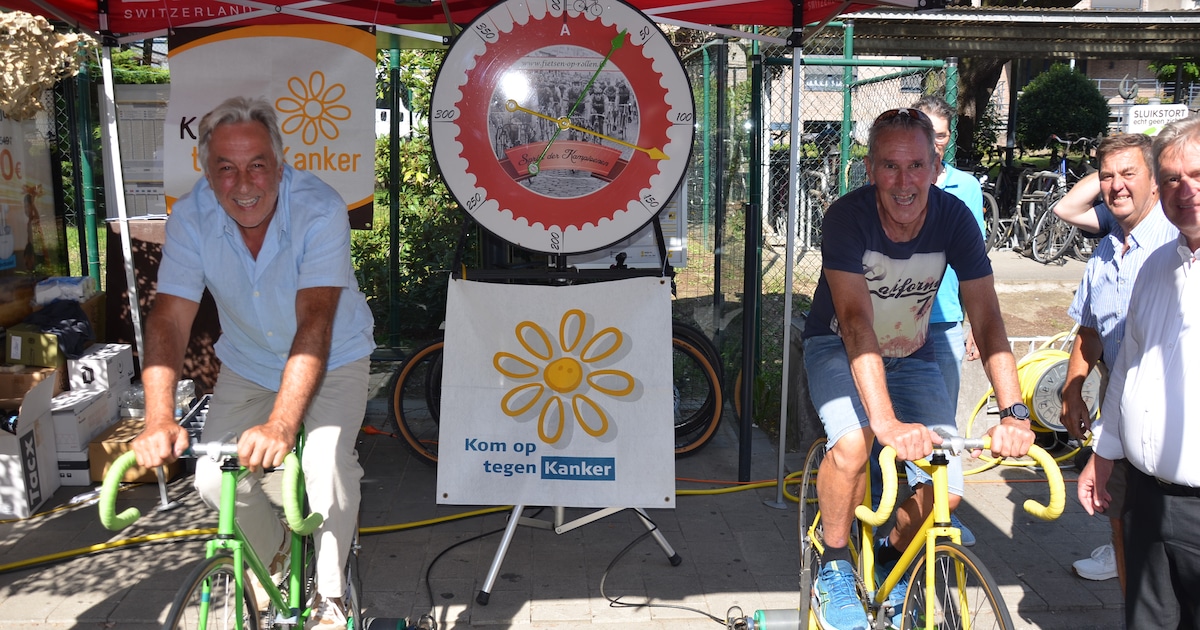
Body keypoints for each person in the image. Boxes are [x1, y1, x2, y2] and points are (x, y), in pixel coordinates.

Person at [131, 96, 375, 630]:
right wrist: (158, 418)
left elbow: (315, 323)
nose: (244, 184)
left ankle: (330, 600)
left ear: (279, 164)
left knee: (325, 465)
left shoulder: (319, 207)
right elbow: (169, 320)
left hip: (332, 353)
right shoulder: (191, 217)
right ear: (206, 170)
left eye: (257, 165)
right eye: (226, 168)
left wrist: (283, 423)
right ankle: (278, 560)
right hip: (249, 360)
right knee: (213, 478)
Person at [801, 107, 1035, 630]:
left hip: (914, 351)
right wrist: (884, 424)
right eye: (889, 166)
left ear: (935, 166)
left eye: (915, 166)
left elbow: (988, 317)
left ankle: (892, 554)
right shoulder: (847, 217)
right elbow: (857, 321)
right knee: (856, 444)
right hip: (839, 346)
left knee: (947, 487)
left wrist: (1014, 410)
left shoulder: (954, 217)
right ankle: (835, 563)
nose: (903, 182)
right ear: (869, 170)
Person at [1078, 114, 1200, 629]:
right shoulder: (1156, 267)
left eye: (1197, 175)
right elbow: (1128, 364)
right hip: (1148, 499)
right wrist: (1103, 453)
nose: (1184, 190)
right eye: (1173, 177)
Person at [1052, 132, 1177, 590]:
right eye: (1107, 176)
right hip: (1118, 415)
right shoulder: (1105, 251)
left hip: (1176, 420)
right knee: (1123, 524)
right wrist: (1072, 389)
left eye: (1129, 174)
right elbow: (1089, 332)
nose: (1116, 185)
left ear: (1155, 181)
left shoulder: (1179, 240)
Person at [911, 95, 987, 546]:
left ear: (947, 139)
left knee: (943, 423)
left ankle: (943, 511)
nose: (933, 143)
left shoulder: (967, 188)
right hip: (898, 325)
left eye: (940, 134)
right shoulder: (898, 182)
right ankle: (900, 509)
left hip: (943, 322)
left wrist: (975, 324)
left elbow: (973, 263)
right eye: (925, 132)